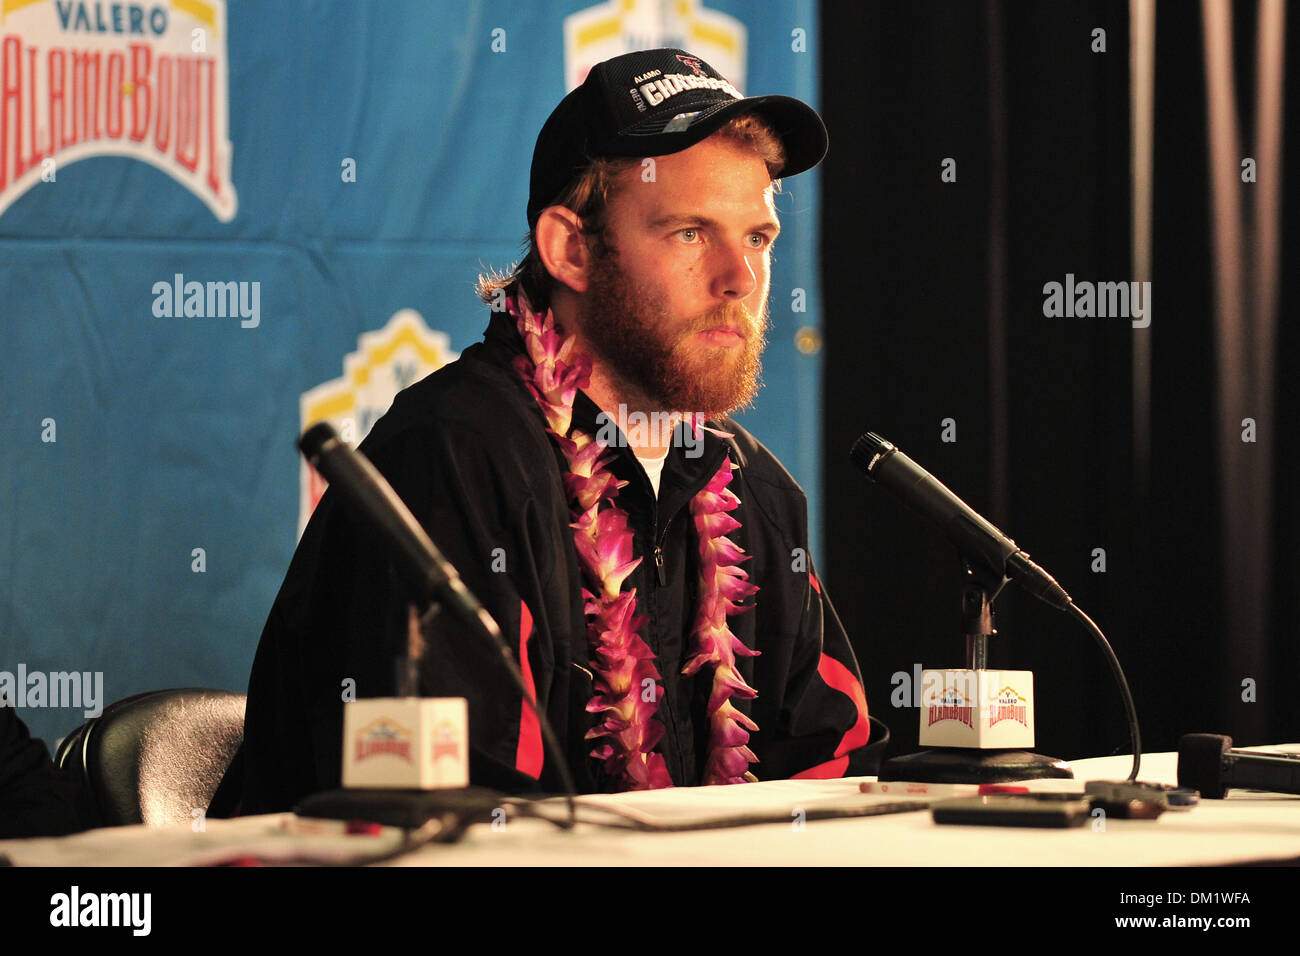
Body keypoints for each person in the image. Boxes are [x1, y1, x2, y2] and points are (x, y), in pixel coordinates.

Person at [211, 48, 885, 814]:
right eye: (691, 233)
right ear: (570, 249)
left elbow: (836, 781)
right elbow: (462, 818)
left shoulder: (753, 493)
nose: (741, 277)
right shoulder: (452, 459)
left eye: (758, 237)